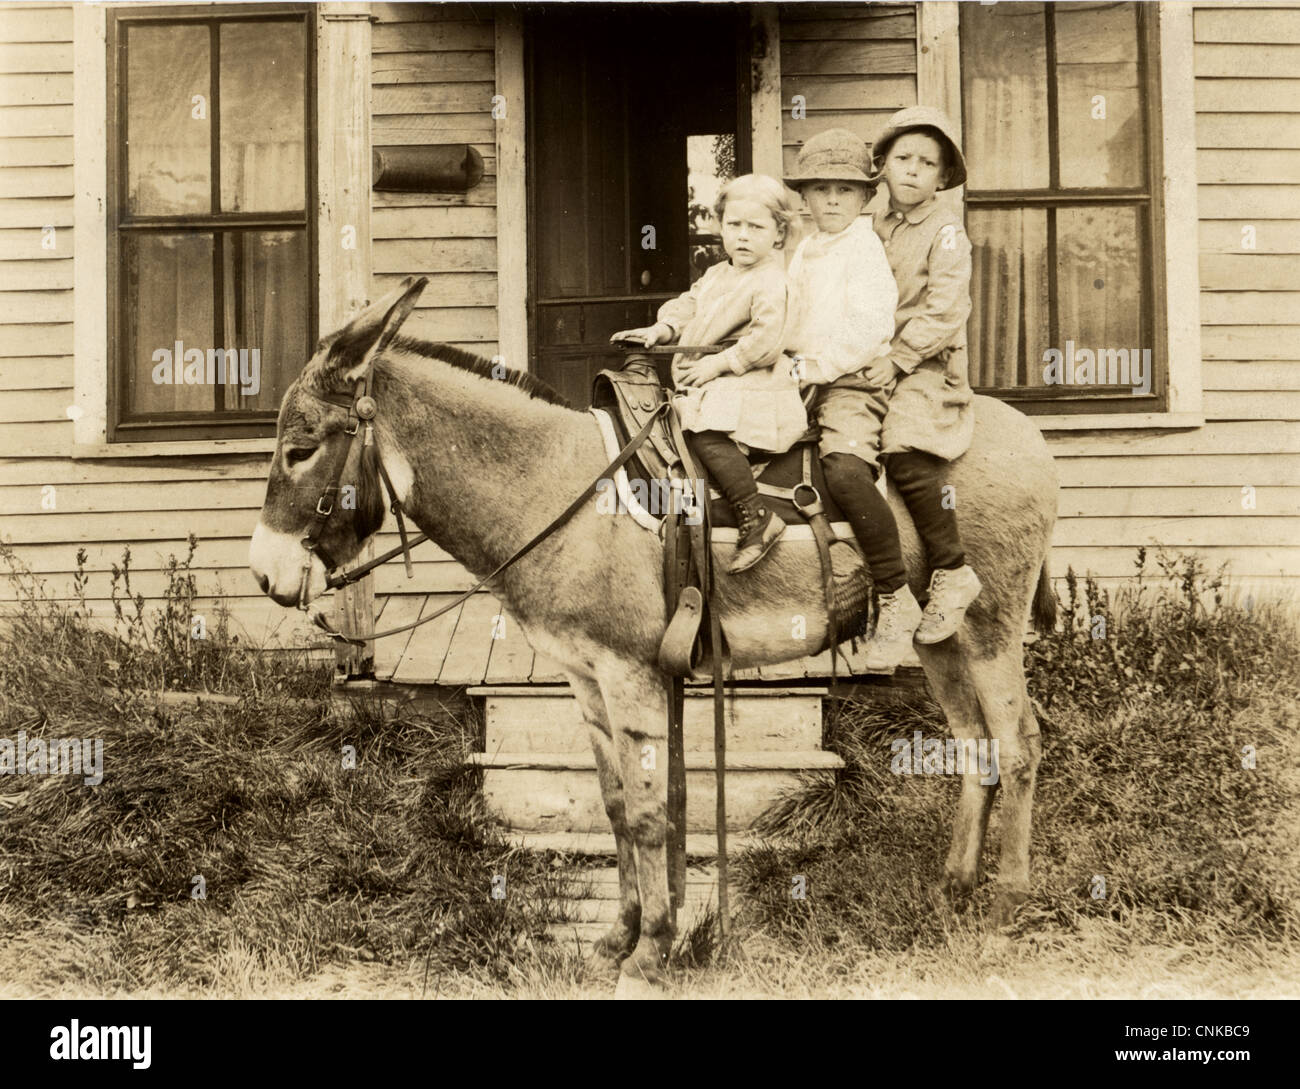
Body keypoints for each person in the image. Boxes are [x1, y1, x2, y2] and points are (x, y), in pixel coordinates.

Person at [611, 173, 806, 574]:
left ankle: (755, 515)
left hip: (754, 378)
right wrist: (660, 329)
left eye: (756, 227)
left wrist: (720, 363)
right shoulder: (719, 273)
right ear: (720, 226)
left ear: (779, 232)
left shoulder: (771, 280)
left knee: (703, 428)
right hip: (716, 377)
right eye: (734, 225)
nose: (743, 236)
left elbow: (768, 340)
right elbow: (688, 304)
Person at [782, 128, 922, 670]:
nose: (833, 201)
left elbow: (867, 328)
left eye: (845, 190)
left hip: (848, 380)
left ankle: (894, 596)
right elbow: (792, 316)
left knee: (842, 468)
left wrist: (815, 366)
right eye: (820, 190)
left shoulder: (863, 248)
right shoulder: (807, 249)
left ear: (865, 198)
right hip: (798, 377)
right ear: (806, 198)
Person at [872, 106, 981, 643]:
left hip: (922, 363)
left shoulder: (946, 233)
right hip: (861, 358)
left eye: (927, 163)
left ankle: (952, 569)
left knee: (903, 447)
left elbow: (944, 309)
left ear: (942, 177)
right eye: (903, 158)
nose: (913, 170)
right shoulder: (863, 223)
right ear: (884, 165)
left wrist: (897, 358)